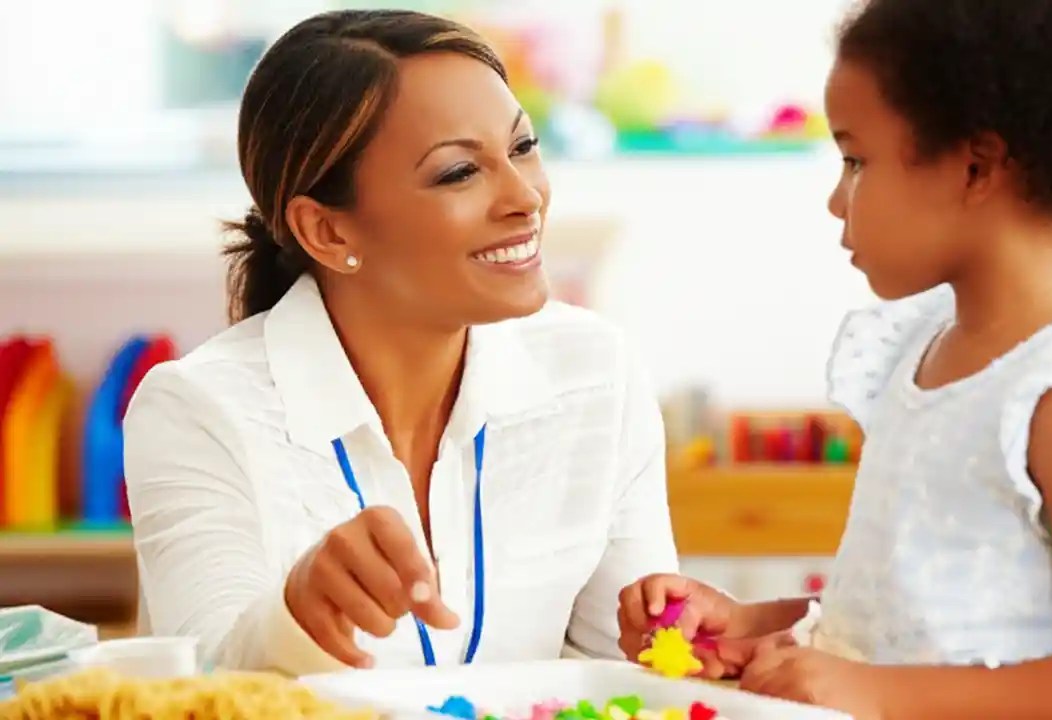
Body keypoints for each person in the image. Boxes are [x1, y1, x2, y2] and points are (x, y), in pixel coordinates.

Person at [619, 1, 1052, 717]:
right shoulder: (921, 348)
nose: (838, 201)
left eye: (855, 159)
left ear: (975, 165)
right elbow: (915, 616)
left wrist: (875, 693)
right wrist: (751, 623)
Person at [123, 9, 677, 676]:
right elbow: (203, 685)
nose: (525, 196)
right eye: (458, 173)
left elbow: (629, 665)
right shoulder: (196, 411)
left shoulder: (595, 373)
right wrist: (294, 616)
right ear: (328, 232)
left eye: (523, 148)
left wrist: (694, 643)